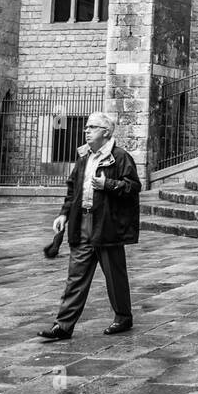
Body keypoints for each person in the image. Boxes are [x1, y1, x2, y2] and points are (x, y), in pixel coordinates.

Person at [37, 112, 141, 341]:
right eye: (86, 127)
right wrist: (64, 214)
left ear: (106, 132)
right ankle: (62, 326)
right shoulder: (85, 157)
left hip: (106, 225)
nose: (86, 131)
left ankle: (123, 317)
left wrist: (108, 184)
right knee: (76, 276)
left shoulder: (120, 157)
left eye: (92, 127)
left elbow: (133, 187)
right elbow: (73, 189)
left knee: (115, 276)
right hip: (81, 223)